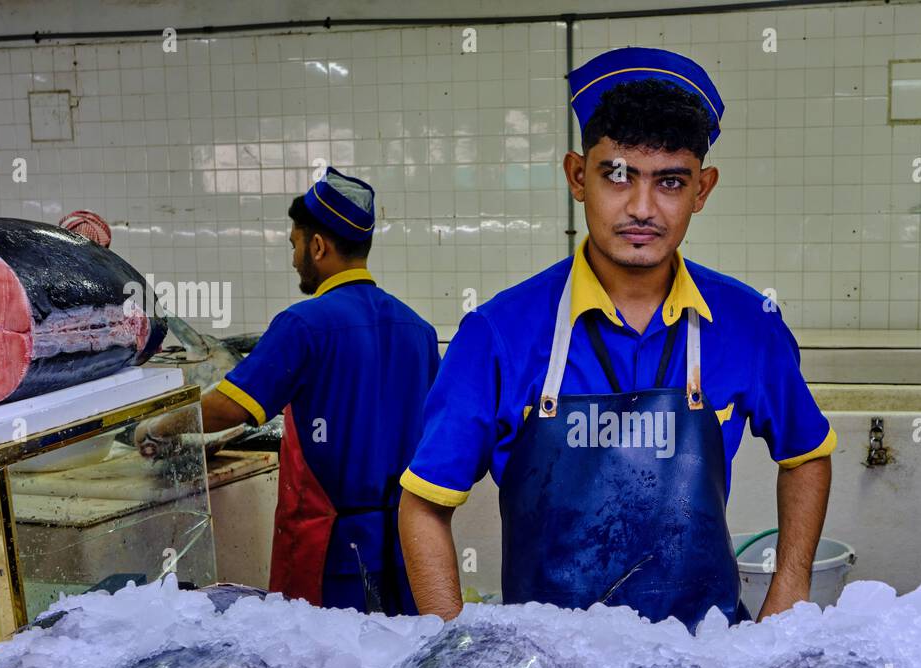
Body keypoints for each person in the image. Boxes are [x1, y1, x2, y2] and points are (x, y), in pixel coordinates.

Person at [399, 48, 834, 628]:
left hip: (702, 658)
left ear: (701, 190)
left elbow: (807, 455)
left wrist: (789, 587)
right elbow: (423, 503)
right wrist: (453, 646)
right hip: (547, 665)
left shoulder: (749, 323)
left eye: (671, 182)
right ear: (578, 177)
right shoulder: (498, 334)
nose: (642, 209)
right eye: (619, 175)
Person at [136, 168, 439, 614]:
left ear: (318, 246)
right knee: (394, 660)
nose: (294, 258)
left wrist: (160, 427)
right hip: (404, 542)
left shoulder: (303, 324)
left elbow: (227, 409)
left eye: (295, 244)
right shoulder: (419, 330)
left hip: (330, 546)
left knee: (321, 667)